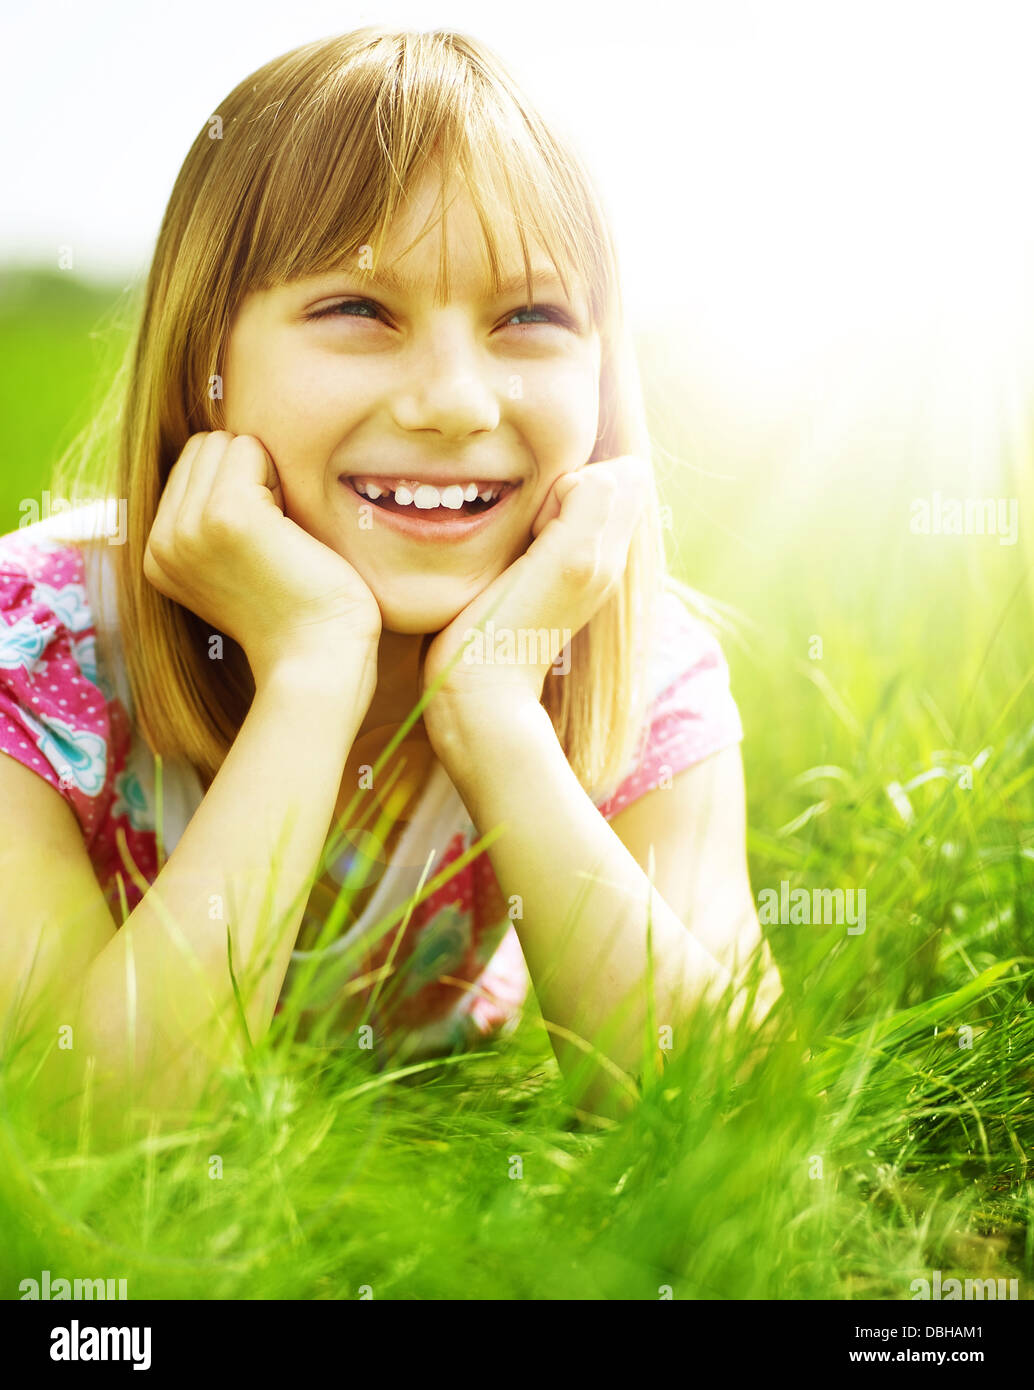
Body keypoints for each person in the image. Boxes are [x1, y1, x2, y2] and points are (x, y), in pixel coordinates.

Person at [0, 26, 781, 1131]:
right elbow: (93, 1140)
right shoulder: (32, 648)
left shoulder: (636, 664)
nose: (456, 401)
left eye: (530, 319)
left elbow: (733, 1122)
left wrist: (494, 709)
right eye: (359, 311)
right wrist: (311, 675)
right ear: (204, 363)